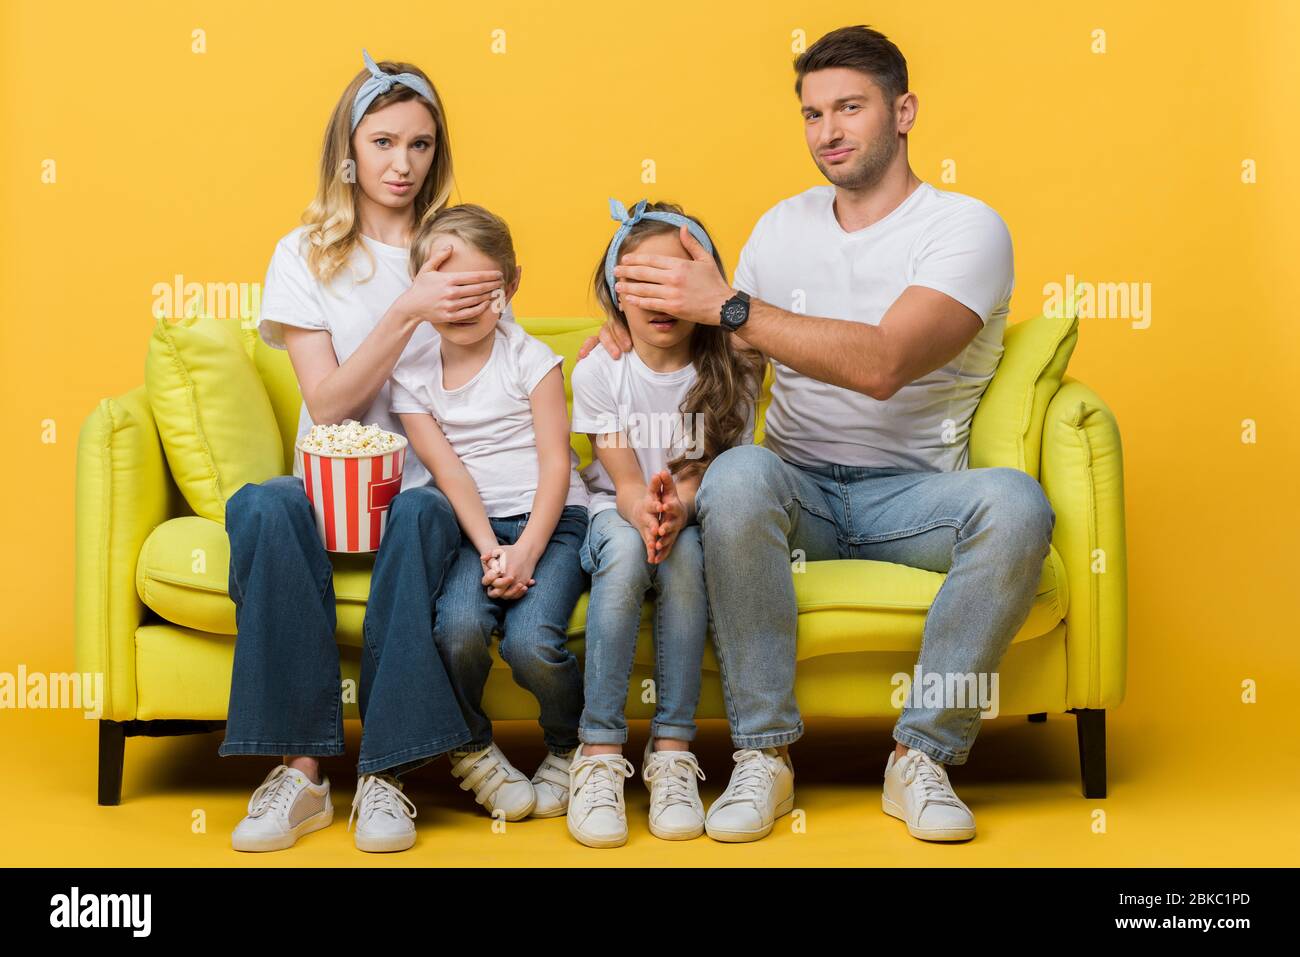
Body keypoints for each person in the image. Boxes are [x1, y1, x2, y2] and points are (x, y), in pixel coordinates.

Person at [582, 25, 1054, 843]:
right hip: (797, 489)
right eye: (812, 114)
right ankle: (763, 756)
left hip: (917, 497)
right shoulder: (781, 227)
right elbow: (730, 363)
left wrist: (726, 304)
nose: (828, 131)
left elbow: (884, 363)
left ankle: (921, 756)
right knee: (738, 475)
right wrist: (634, 331)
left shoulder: (967, 228)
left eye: (850, 108)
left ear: (903, 111)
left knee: (1017, 504)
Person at [220, 50, 517, 853]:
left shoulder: (453, 247)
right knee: (262, 504)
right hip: (329, 493)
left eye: (420, 144)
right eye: (383, 142)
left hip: (422, 495)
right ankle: (303, 774)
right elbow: (328, 404)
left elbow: (504, 362)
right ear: (348, 150)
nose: (402, 164)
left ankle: (387, 774)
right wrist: (410, 309)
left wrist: (610, 350)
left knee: (420, 512)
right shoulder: (305, 254)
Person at [565, 199, 763, 847]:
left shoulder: (730, 370)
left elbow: (707, 475)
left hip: (692, 512)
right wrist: (645, 508)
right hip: (615, 509)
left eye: (675, 282)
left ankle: (672, 748)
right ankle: (598, 750)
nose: (660, 299)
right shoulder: (600, 370)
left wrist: (676, 506)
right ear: (615, 292)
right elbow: (623, 481)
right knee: (627, 552)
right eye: (641, 283)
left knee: (684, 558)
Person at [389, 204, 591, 824]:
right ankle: (472, 746)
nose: (463, 308)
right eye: (448, 291)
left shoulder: (531, 359)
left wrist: (525, 552)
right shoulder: (411, 375)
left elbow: (556, 465)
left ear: (511, 285)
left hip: (551, 524)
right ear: (421, 288)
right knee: (457, 630)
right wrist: (487, 550)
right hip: (471, 530)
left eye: (481, 291)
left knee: (531, 643)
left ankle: (570, 744)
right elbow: (448, 471)